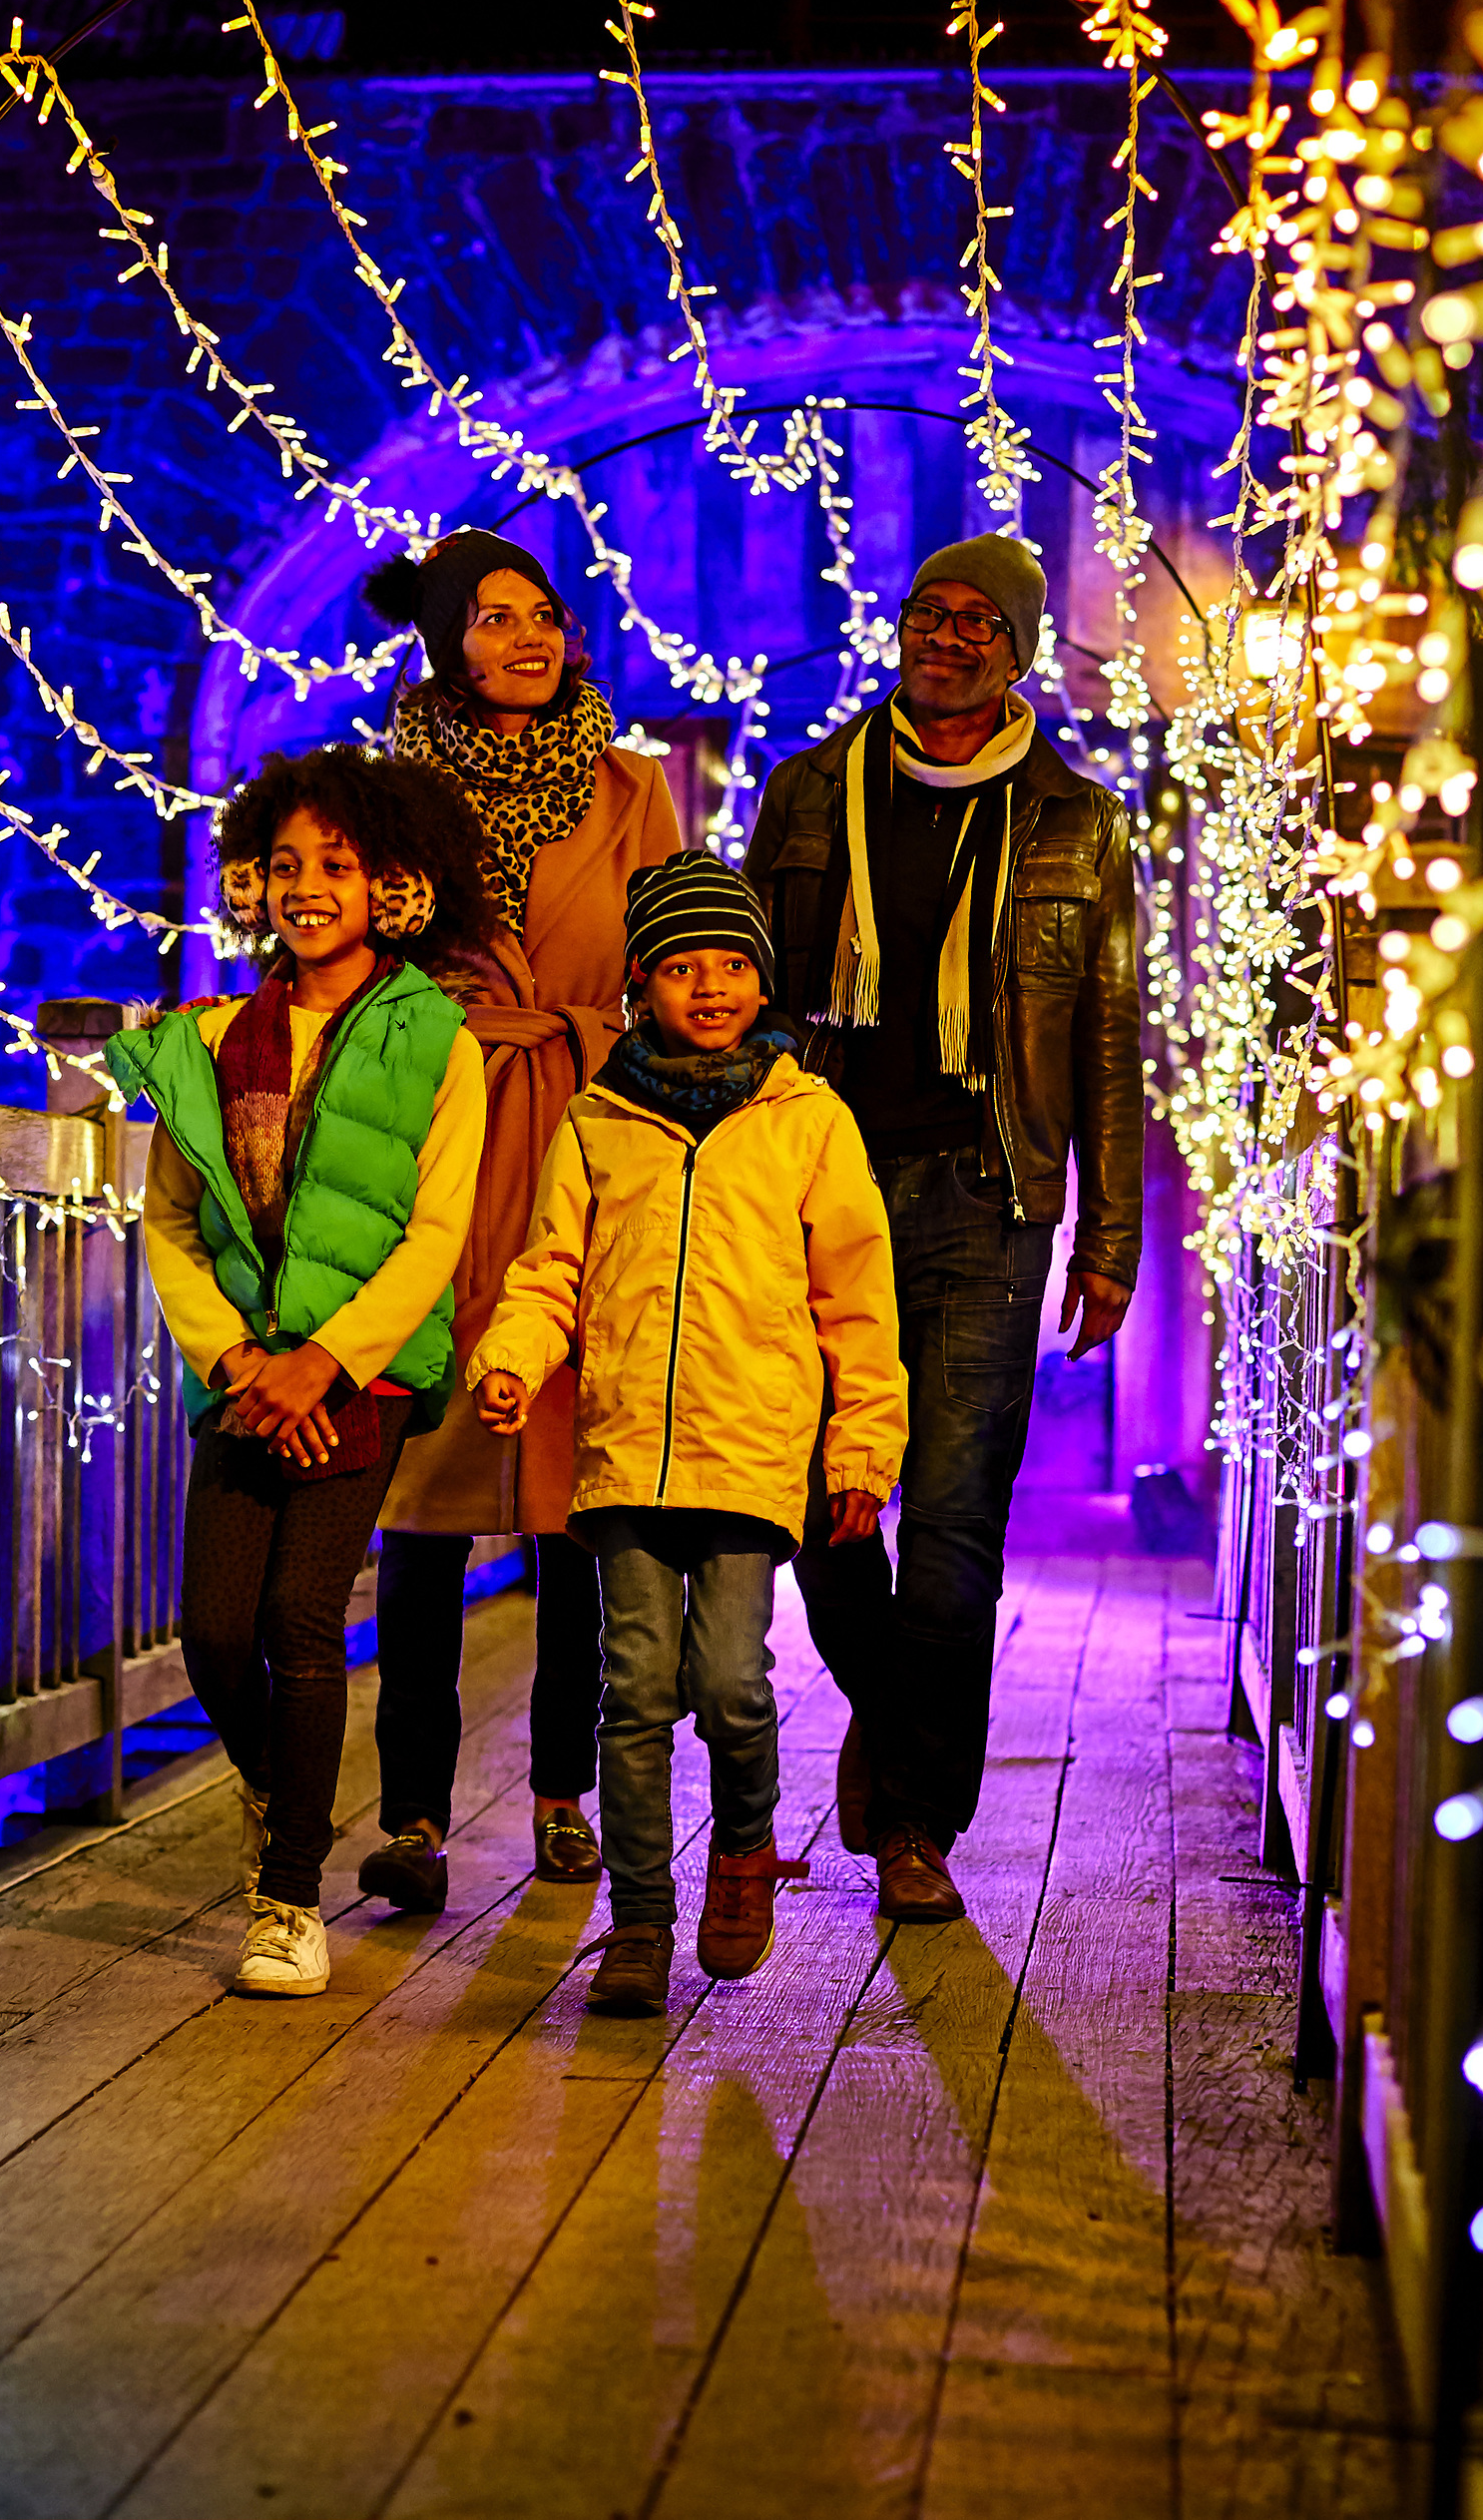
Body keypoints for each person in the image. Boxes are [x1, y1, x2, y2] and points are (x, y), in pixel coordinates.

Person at [740, 534, 1148, 1926]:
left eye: (982, 621)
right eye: (931, 611)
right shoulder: (809, 790)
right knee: (817, 1495)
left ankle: (916, 1822)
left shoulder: (1079, 822)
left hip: (988, 1190)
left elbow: (1108, 1041)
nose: (949, 636)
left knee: (956, 1513)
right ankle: (900, 1711)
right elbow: (747, 990)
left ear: (1019, 651)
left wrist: (1110, 1237)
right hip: (820, 1185)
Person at [474, 851, 906, 2016]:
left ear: (761, 983)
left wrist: (861, 1452)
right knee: (633, 1693)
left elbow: (856, 1299)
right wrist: (513, 1359)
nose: (708, 986)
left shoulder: (805, 1121)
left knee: (729, 1684)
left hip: (751, 1451)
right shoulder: (598, 1120)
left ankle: (744, 1849)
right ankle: (639, 1924)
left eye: (729, 965)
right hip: (624, 1453)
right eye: (679, 966)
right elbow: (550, 1268)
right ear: (640, 987)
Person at [104, 747, 497, 1999]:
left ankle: (287, 1903)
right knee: (215, 1632)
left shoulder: (440, 1044)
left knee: (299, 1621)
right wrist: (237, 1359)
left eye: (338, 864)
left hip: (358, 1379)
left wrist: (324, 1361)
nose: (308, 887)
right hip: (241, 1374)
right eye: (285, 865)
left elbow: (436, 1232)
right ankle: (284, 1795)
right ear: (251, 884)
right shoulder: (209, 1042)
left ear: (393, 885)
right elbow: (172, 1221)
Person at [357, 526, 686, 1912]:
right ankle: (415, 1814)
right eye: (493, 618)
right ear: (446, 641)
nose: (528, 635)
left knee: (575, 1503)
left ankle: (563, 1792)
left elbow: (672, 964)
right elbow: (340, 961)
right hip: (431, 1141)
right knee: (421, 1503)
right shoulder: (387, 795)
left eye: (541, 612)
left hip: (586, 1137)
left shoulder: (630, 786)